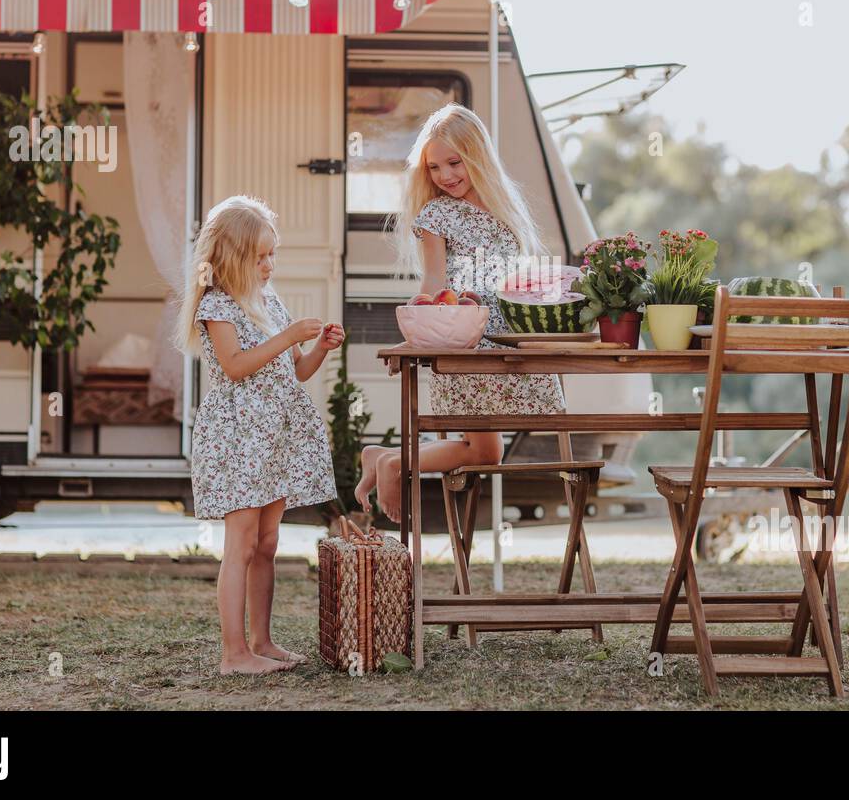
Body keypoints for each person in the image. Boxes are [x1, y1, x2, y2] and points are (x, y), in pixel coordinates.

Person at [356, 104, 564, 521]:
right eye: (433, 168)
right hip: (467, 339)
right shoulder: (436, 214)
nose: (445, 176)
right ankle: (393, 463)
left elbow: (513, 277)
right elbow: (434, 281)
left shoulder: (505, 205)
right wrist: (417, 335)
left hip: (505, 337)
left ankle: (385, 456)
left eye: (454, 163)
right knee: (486, 452)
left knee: (487, 452)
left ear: (477, 155)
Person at [175, 195, 344, 674]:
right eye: (260, 256)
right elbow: (235, 366)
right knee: (242, 544)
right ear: (231, 257)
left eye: (273, 254)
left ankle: (262, 641)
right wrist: (289, 336)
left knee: (268, 543)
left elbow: (297, 371)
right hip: (237, 439)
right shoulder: (217, 305)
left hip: (272, 437)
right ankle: (233, 655)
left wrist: (317, 348)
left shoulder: (269, 300)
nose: (269, 265)